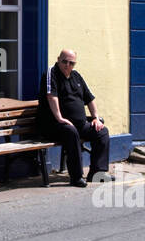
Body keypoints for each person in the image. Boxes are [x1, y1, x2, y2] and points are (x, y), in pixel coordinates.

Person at [37, 49, 112, 187]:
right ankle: (76, 177)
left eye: (71, 63)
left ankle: (97, 174)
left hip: (78, 124)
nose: (67, 65)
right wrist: (59, 118)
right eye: (64, 61)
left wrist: (96, 118)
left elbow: (89, 98)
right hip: (54, 125)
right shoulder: (51, 73)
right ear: (58, 59)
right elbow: (50, 95)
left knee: (102, 132)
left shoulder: (76, 76)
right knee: (71, 132)